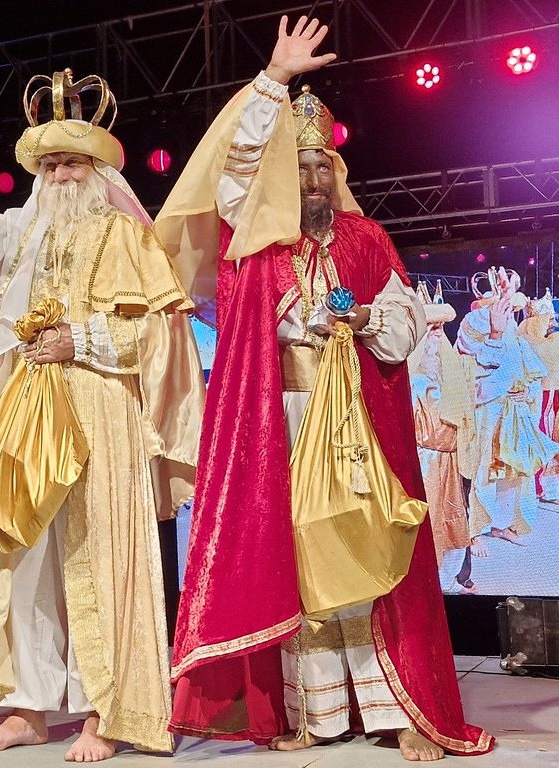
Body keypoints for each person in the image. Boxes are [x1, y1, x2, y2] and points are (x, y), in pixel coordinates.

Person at [154, 16, 494, 761]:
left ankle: (400, 705)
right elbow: (234, 166)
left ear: (335, 173)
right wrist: (272, 81)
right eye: (299, 168)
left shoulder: (366, 239)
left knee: (367, 551)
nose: (311, 181)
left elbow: (405, 319)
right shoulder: (260, 240)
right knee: (302, 561)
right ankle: (313, 712)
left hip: (358, 426)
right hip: (286, 418)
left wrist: (367, 316)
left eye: (320, 168)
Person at [0, 70, 203, 761]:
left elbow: (155, 333)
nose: (60, 173)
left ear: (99, 167)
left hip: (98, 402)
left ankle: (108, 711)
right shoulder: (24, 229)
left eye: (72, 160)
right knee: (18, 551)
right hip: (23, 405)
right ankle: (26, 705)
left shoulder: (124, 235)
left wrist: (83, 340)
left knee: (97, 552)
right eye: (49, 163)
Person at [457, 268, 555, 554]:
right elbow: (472, 368)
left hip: (516, 413)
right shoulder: (475, 322)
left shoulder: (516, 334)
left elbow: (534, 375)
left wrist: (528, 393)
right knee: (484, 471)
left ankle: (505, 524)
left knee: (517, 474)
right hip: (488, 414)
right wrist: (495, 331)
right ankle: (474, 531)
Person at [407, 283, 477, 593]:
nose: (437, 332)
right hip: (425, 464)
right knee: (429, 524)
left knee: (450, 519)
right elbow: (436, 431)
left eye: (440, 327)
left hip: (446, 463)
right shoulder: (416, 380)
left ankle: (450, 581)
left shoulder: (444, 370)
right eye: (431, 326)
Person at [516, 289, 558, 502]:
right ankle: (540, 486)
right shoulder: (538, 342)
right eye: (548, 319)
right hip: (541, 396)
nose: (551, 323)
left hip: (542, 395)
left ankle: (540, 485)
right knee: (542, 437)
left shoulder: (524, 336)